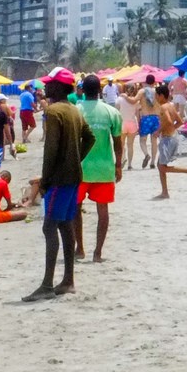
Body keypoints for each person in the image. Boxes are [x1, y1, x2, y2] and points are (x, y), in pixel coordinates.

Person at [24, 69, 89, 301]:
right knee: (65, 226)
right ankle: (69, 280)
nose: (46, 88)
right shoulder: (74, 109)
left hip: (59, 179)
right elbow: (89, 137)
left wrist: (45, 180)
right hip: (74, 177)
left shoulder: (53, 112)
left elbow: (50, 151)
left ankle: (47, 285)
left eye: (50, 85)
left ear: (59, 88)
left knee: (49, 227)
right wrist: (75, 157)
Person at [75, 73, 125, 263]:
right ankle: (97, 253)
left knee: (75, 209)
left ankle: (80, 248)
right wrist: (118, 166)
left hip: (79, 168)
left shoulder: (76, 110)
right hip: (104, 168)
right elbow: (117, 143)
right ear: (99, 90)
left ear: (82, 90)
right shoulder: (111, 112)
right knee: (102, 210)